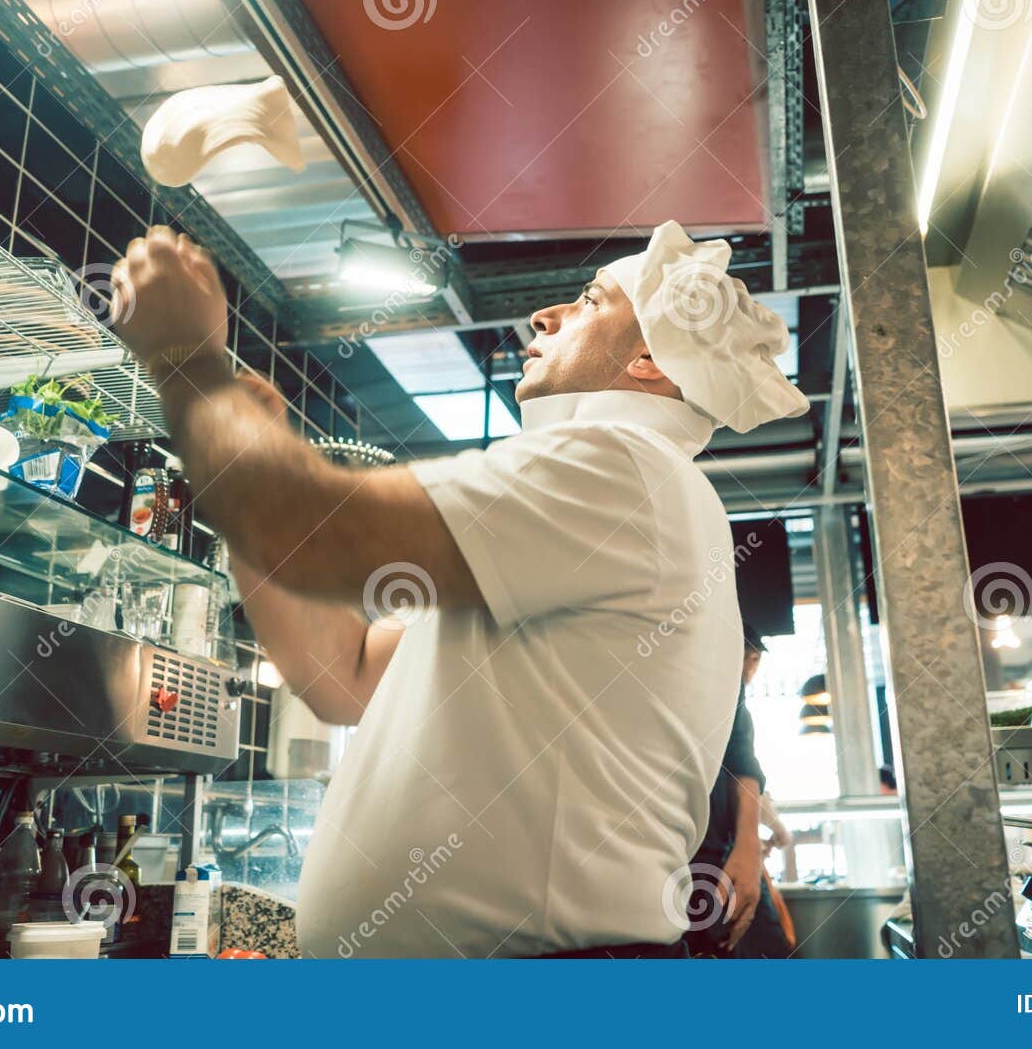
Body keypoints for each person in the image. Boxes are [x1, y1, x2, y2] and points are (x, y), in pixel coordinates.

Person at [110, 221, 807, 957]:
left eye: (590, 300)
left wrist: (189, 365)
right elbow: (339, 672)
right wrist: (237, 468)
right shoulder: (599, 512)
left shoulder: (625, 468)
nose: (545, 316)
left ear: (647, 361)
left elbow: (298, 528)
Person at [685, 623, 794, 958]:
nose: (751, 668)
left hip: (720, 853)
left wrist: (747, 842)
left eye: (755, 660)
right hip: (691, 854)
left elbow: (742, 757)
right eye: (752, 659)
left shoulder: (722, 676)